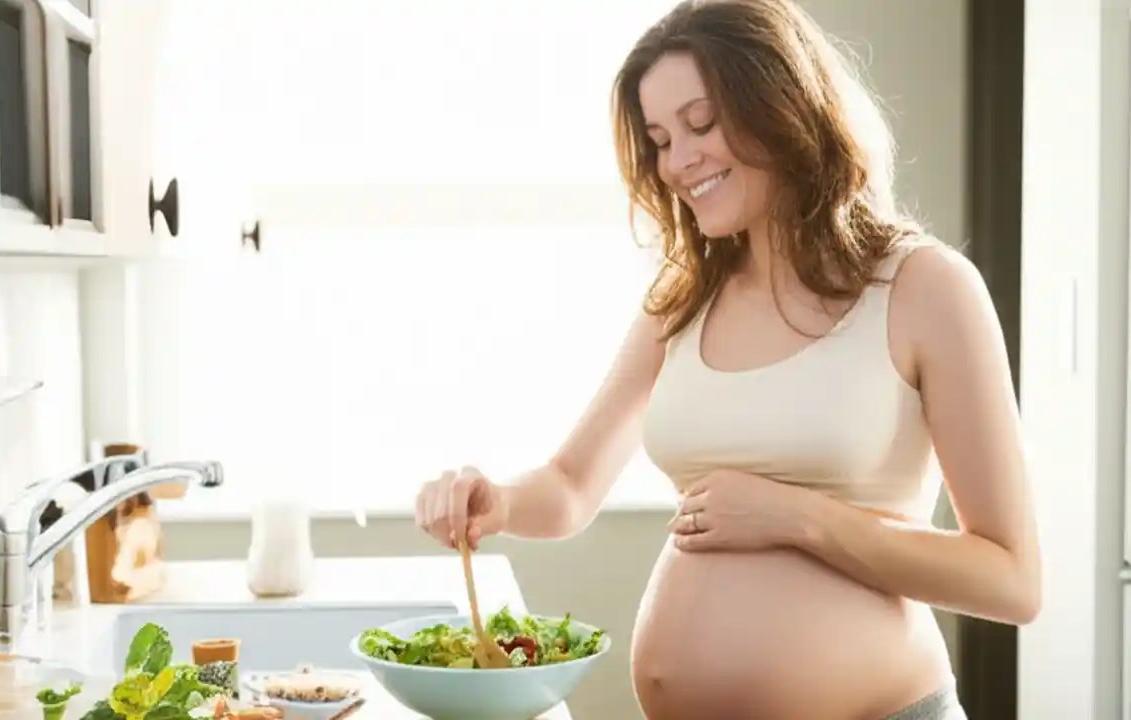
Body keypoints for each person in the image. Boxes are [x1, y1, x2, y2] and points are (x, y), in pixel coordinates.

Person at [413, 0, 1041, 718]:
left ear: (782, 102)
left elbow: (1012, 580)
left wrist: (798, 517)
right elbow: (569, 485)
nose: (678, 162)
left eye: (700, 124)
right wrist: (497, 503)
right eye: (658, 139)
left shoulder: (923, 288)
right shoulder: (682, 299)